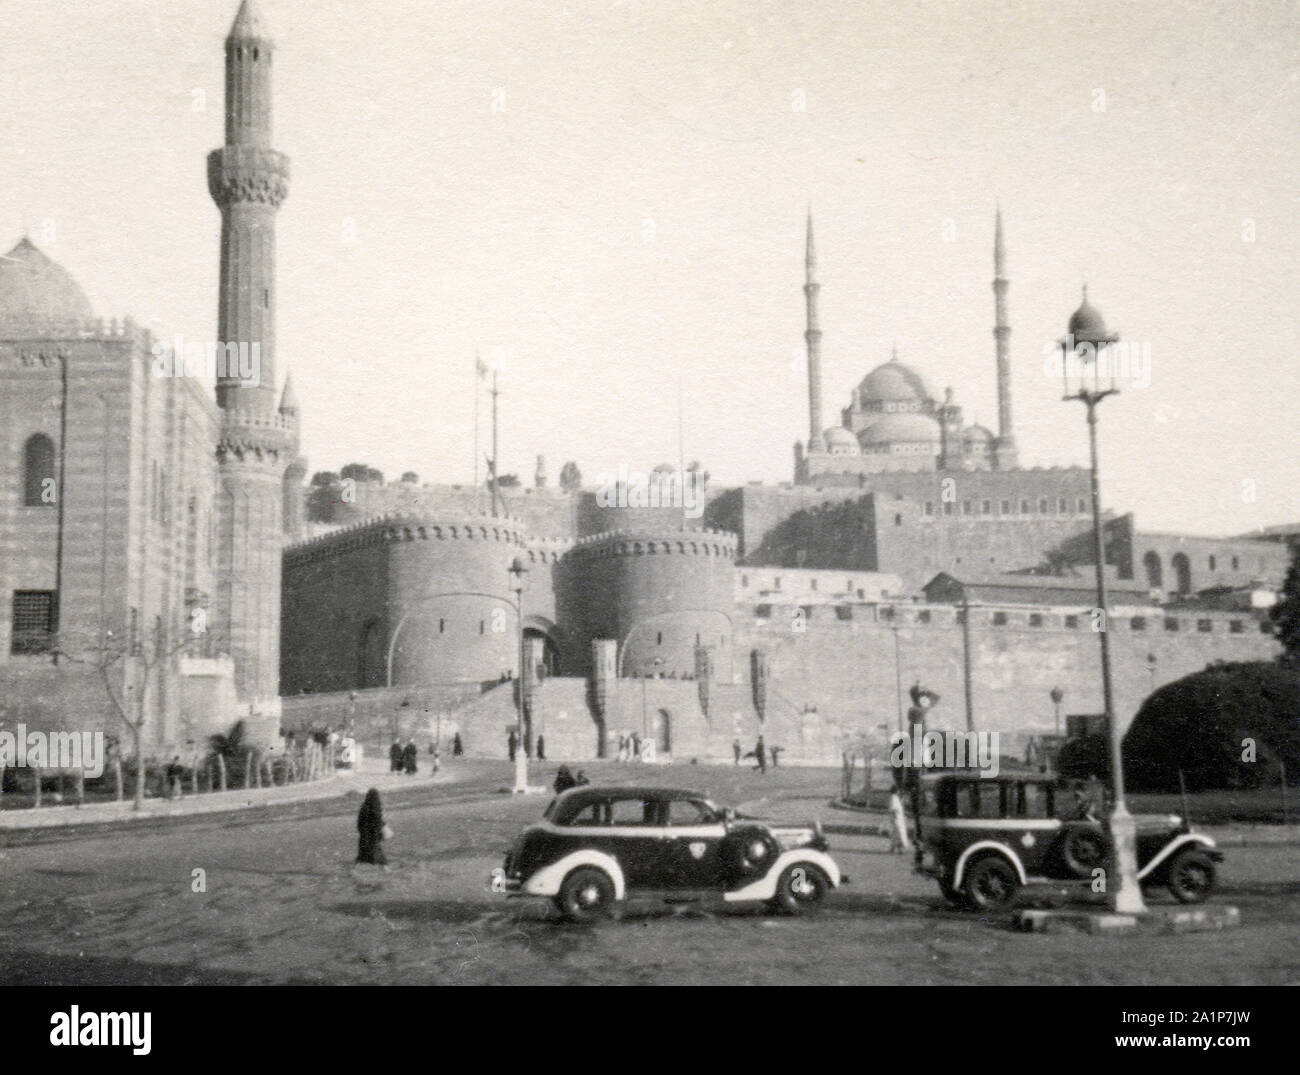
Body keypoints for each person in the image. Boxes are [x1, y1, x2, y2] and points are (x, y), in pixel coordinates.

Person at [356, 788, 388, 866]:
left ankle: (354, 868)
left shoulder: (364, 806)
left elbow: (359, 821)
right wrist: (383, 828)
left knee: (363, 852)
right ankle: (386, 869)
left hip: (364, 834)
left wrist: (361, 831)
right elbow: (378, 820)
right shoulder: (376, 806)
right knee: (377, 850)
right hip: (373, 834)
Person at [887, 787, 911, 854]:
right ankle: (899, 849)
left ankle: (893, 848)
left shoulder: (895, 798)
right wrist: (895, 818)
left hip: (898, 819)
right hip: (897, 819)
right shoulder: (894, 798)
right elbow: (894, 809)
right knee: (899, 834)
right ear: (896, 791)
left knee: (895, 834)